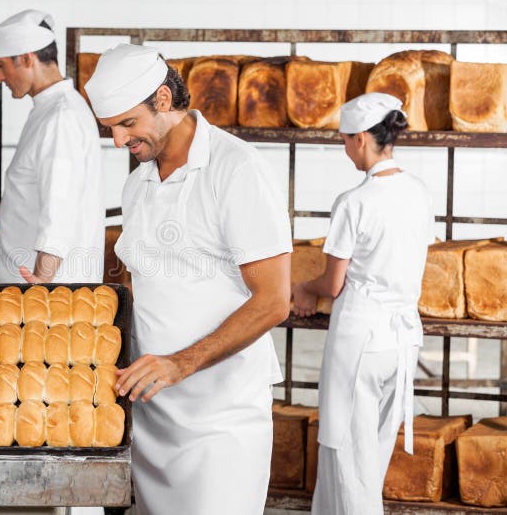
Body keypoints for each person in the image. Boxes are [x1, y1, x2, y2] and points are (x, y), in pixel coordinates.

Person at [84, 44, 292, 515]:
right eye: (110, 129)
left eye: (127, 124)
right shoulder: (139, 182)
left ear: (162, 100)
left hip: (219, 419)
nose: (118, 141)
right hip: (152, 414)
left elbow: (275, 300)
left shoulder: (235, 169)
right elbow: (146, 285)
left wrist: (180, 363)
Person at [292, 93, 435, 515]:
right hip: (404, 342)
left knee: (348, 456)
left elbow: (333, 284)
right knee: (372, 454)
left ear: (359, 139)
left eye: (343, 141)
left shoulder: (354, 202)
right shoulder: (419, 192)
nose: (344, 149)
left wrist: (303, 287)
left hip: (361, 341)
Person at [0, 9, 104, 284]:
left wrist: (41, 286)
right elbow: (44, 186)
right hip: (27, 291)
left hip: (45, 294)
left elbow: (59, 210)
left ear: (26, 58)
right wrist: (3, 208)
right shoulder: (51, 110)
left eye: (0, 65)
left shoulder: (61, 118)